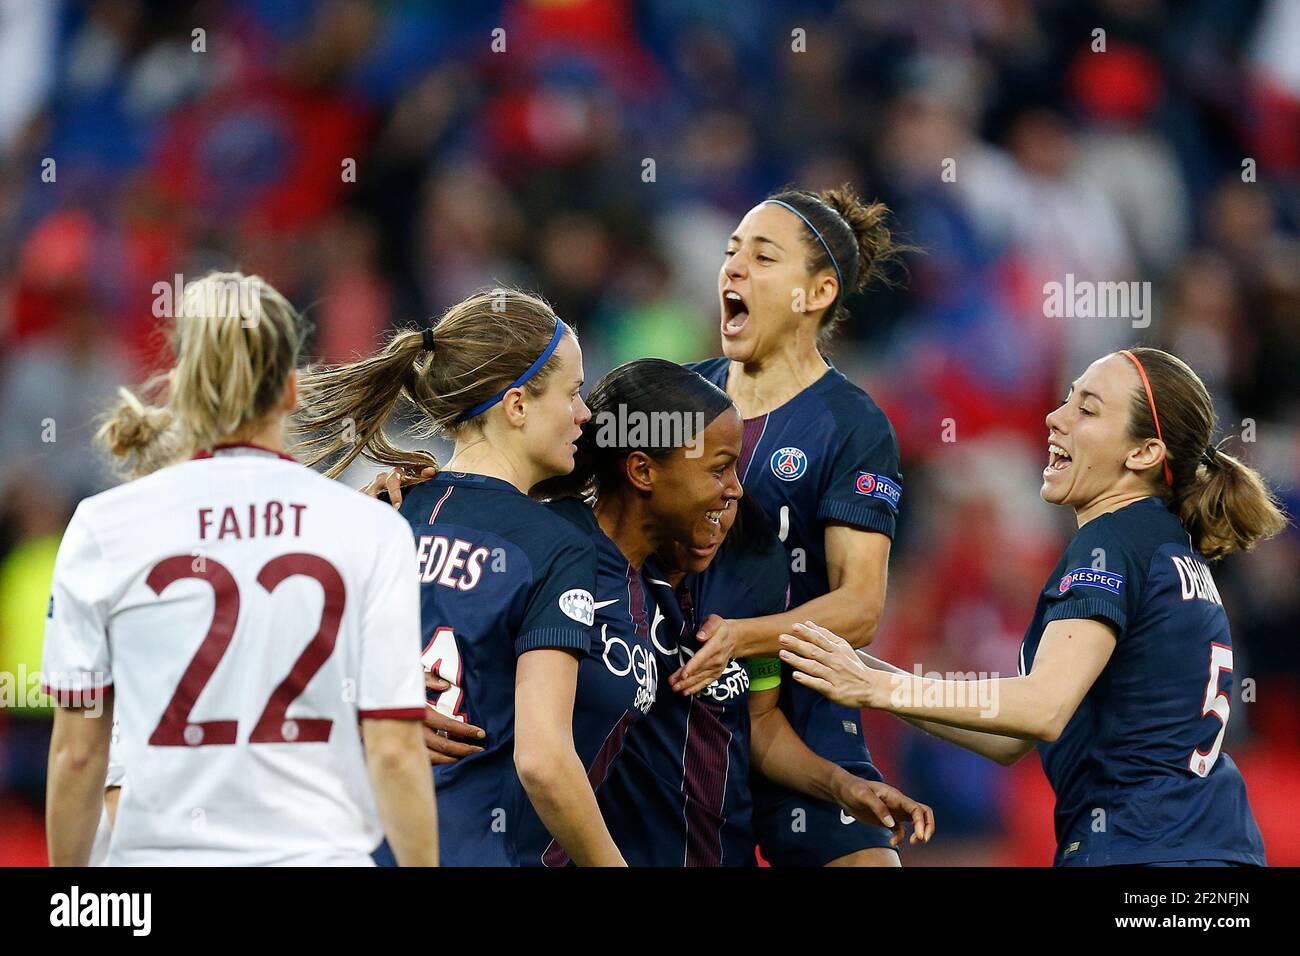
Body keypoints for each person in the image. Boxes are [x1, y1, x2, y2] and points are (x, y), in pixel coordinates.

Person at [781, 348, 1287, 866]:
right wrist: (859, 668)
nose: (1054, 416)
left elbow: (1042, 707)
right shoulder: (1170, 549)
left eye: (1087, 410)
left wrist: (877, 685)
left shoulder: (1114, 541)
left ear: (1143, 453)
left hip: (1142, 851)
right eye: (1067, 399)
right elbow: (1013, 737)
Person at [43, 272, 437, 866]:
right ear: (291, 390)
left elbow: (77, 755)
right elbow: (394, 753)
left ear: (177, 387)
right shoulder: (371, 530)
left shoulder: (104, 526)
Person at [295, 289, 623, 866]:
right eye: (572, 393)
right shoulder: (553, 546)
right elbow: (543, 760)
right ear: (517, 405)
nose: (585, 416)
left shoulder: (385, 512)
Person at [677, 183, 912, 866]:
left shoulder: (852, 424)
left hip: (802, 723)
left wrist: (740, 639)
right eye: (730, 253)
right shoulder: (672, 400)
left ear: (816, 294)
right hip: (675, 717)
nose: (734, 268)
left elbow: (861, 608)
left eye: (762, 256)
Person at [613, 491, 934, 866]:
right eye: (715, 470)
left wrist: (844, 785)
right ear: (643, 473)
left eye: (734, 467)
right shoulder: (595, 572)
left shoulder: (753, 569)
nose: (733, 488)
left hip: (723, 850)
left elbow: (760, 721)